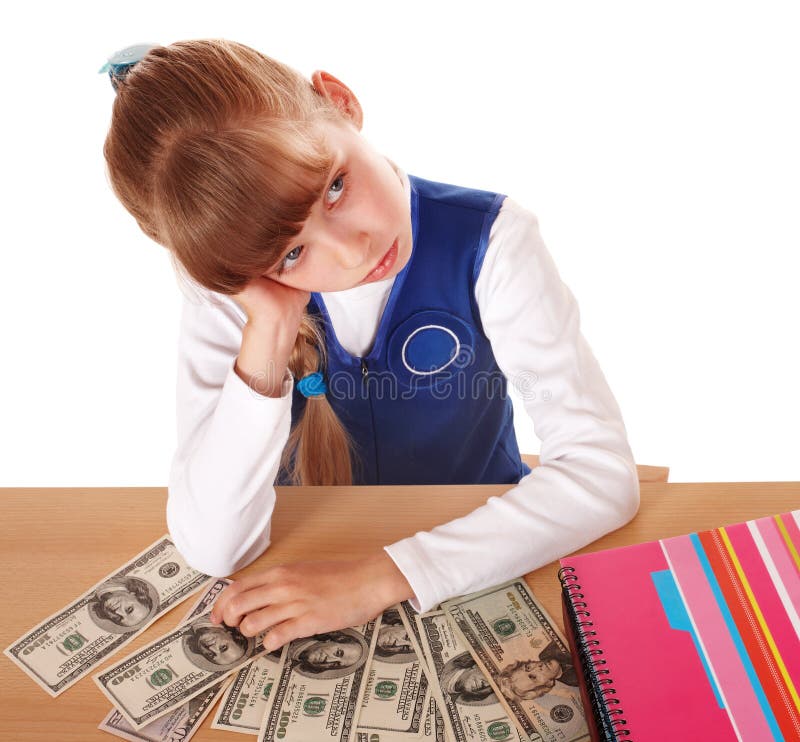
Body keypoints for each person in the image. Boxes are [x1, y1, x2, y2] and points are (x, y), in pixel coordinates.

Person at [100, 39, 640, 655]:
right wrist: (270, 332)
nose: (352, 249)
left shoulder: (491, 241)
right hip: (305, 569)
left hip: (489, 554)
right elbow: (215, 546)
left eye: (334, 187)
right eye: (293, 253)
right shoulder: (235, 303)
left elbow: (601, 473)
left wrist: (383, 576)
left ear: (339, 101)